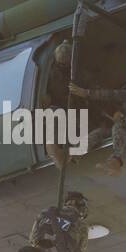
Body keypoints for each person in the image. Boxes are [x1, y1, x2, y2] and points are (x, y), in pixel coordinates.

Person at [43, 40, 73, 169]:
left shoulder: (71, 71)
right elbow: (45, 97)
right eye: (61, 63)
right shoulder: (50, 74)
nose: (63, 66)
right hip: (57, 107)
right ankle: (56, 153)